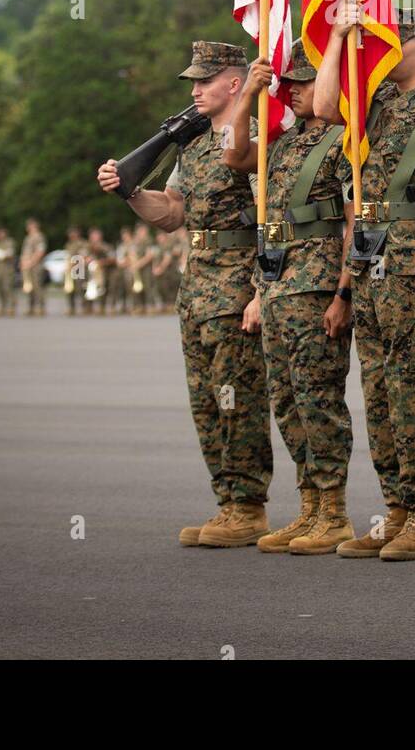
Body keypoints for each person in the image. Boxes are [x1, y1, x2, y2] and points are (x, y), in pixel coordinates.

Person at [97, 40, 272, 549]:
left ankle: (248, 506)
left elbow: (270, 219)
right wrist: (129, 189)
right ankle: (226, 501)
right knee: (205, 400)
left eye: (205, 80)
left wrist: (262, 290)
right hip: (196, 286)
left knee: (237, 396)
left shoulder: (256, 138)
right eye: (192, 80)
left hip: (237, 284)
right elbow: (172, 213)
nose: (194, 89)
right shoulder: (192, 146)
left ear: (234, 84)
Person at [313, 1, 415, 561]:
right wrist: (338, 35)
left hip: (414, 265)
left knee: (414, 392)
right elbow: (323, 105)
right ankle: (396, 508)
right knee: (377, 393)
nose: (381, 47)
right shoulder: (374, 102)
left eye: (392, 39)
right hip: (370, 265)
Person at [226, 40, 354, 556]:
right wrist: (247, 96)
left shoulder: (345, 142)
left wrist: (345, 293)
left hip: (316, 289)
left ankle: (336, 511)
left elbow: (352, 224)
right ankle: (309, 507)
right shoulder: (282, 142)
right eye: (290, 81)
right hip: (280, 289)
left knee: (320, 401)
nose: (292, 90)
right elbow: (235, 155)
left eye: (303, 81)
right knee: (287, 402)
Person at [19, 219, 47, 317]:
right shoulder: (28, 238)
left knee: (37, 287)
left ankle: (40, 307)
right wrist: (22, 262)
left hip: (36, 266)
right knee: (29, 286)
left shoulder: (39, 237)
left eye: (29, 225)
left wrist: (31, 262)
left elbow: (40, 251)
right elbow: (25, 252)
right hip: (27, 266)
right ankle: (31, 307)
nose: (27, 227)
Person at [63, 226, 88, 317]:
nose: (71, 235)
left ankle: (84, 307)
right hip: (70, 270)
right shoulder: (69, 244)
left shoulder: (82, 243)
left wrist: (73, 264)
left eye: (73, 233)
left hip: (79, 268)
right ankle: (71, 307)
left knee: (80, 288)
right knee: (70, 289)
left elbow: (83, 256)